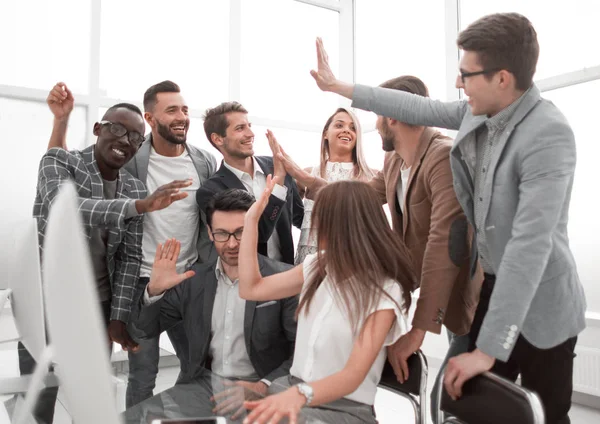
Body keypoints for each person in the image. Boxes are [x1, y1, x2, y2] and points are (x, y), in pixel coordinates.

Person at [307, 12, 587, 423]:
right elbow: (416, 106)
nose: (458, 84)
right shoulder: (479, 111)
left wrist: (486, 351)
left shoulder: (548, 134)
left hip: (544, 300)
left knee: (545, 413)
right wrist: (338, 86)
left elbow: (530, 248)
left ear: (503, 78)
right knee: (474, 408)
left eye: (466, 74)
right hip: (493, 286)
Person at [268, 75, 481, 422]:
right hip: (436, 292)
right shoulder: (397, 160)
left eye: (377, 115)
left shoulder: (443, 157)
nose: (375, 125)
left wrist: (418, 329)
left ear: (392, 115)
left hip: (465, 296)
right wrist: (308, 181)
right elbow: (361, 199)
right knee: (451, 399)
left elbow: (445, 243)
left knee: (452, 397)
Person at [45, 80, 218, 408]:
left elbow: (209, 217)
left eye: (184, 109)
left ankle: (178, 415)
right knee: (142, 374)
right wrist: (61, 122)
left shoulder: (203, 162)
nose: (182, 116)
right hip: (141, 283)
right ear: (151, 120)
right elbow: (69, 175)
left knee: (199, 366)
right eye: (172, 110)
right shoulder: (131, 155)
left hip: (187, 281)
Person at [238, 179, 416, 424]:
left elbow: (353, 375)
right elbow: (251, 288)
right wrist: (250, 222)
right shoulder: (317, 265)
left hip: (344, 411)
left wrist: (299, 395)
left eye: (321, 218)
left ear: (343, 225)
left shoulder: (385, 289)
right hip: (291, 392)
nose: (315, 226)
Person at [130, 189, 297, 420]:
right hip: (203, 388)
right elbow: (144, 329)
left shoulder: (284, 279)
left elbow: (299, 352)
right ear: (209, 232)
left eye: (241, 232)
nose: (231, 244)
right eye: (221, 234)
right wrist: (155, 290)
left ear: (254, 228)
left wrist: (262, 387)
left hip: (263, 391)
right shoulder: (193, 280)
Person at [197, 102, 303, 265]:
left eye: (249, 126)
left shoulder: (277, 165)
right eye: (240, 128)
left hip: (287, 273)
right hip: (247, 280)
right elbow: (258, 234)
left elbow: (300, 218)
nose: (251, 134)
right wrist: (278, 184)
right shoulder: (211, 190)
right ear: (218, 139)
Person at [294, 107, 374, 264]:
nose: (346, 130)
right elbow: (294, 216)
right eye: (339, 125)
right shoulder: (307, 174)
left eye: (353, 128)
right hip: (308, 263)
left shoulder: (371, 176)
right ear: (325, 133)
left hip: (353, 262)